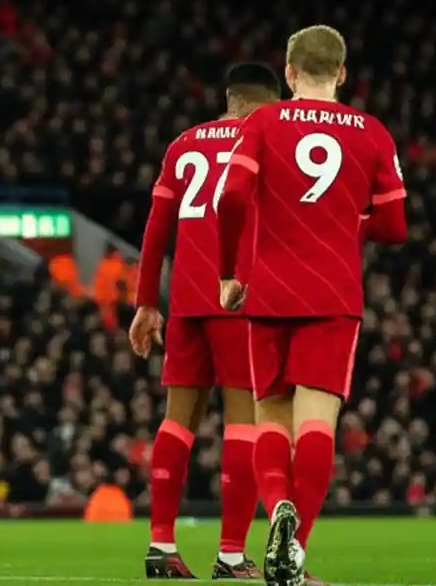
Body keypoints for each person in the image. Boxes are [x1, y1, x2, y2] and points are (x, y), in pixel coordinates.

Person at [216, 25, 407, 586]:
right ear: (342, 73)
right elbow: (395, 226)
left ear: (291, 72)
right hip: (333, 292)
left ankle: (277, 509)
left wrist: (230, 274)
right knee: (316, 425)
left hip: (270, 289)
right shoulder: (373, 133)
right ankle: (294, 554)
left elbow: (230, 196)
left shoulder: (262, 122)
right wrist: (349, 223)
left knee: (270, 416)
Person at [130, 63, 280, 580]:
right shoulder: (267, 139)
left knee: (177, 422)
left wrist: (147, 302)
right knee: (245, 424)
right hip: (237, 296)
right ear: (265, 104)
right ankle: (232, 556)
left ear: (230, 97)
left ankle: (161, 547)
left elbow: (156, 228)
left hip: (186, 304)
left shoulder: (183, 144)